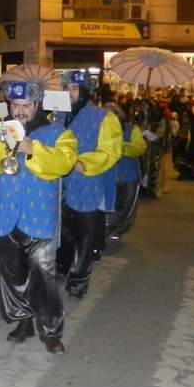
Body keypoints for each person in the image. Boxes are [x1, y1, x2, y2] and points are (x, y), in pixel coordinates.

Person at [0, 81, 77, 353]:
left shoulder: (59, 133)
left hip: (39, 217)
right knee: (12, 275)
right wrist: (3, 146)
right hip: (5, 215)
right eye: (15, 105)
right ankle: (23, 322)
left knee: (45, 276)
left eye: (25, 106)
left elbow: (65, 163)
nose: (19, 111)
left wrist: (35, 151)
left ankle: (51, 331)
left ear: (37, 106)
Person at [60, 71, 121, 298]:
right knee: (63, 232)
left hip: (86, 184)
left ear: (85, 92)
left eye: (74, 89)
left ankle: (78, 280)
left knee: (84, 237)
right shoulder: (56, 115)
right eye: (66, 88)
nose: (69, 93)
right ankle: (63, 267)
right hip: (58, 185)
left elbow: (110, 150)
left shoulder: (104, 117)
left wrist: (84, 163)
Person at [104, 102, 147, 240]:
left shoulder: (132, 130)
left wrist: (120, 147)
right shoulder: (99, 130)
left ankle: (117, 230)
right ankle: (106, 230)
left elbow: (140, 147)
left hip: (127, 175)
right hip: (106, 175)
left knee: (125, 206)